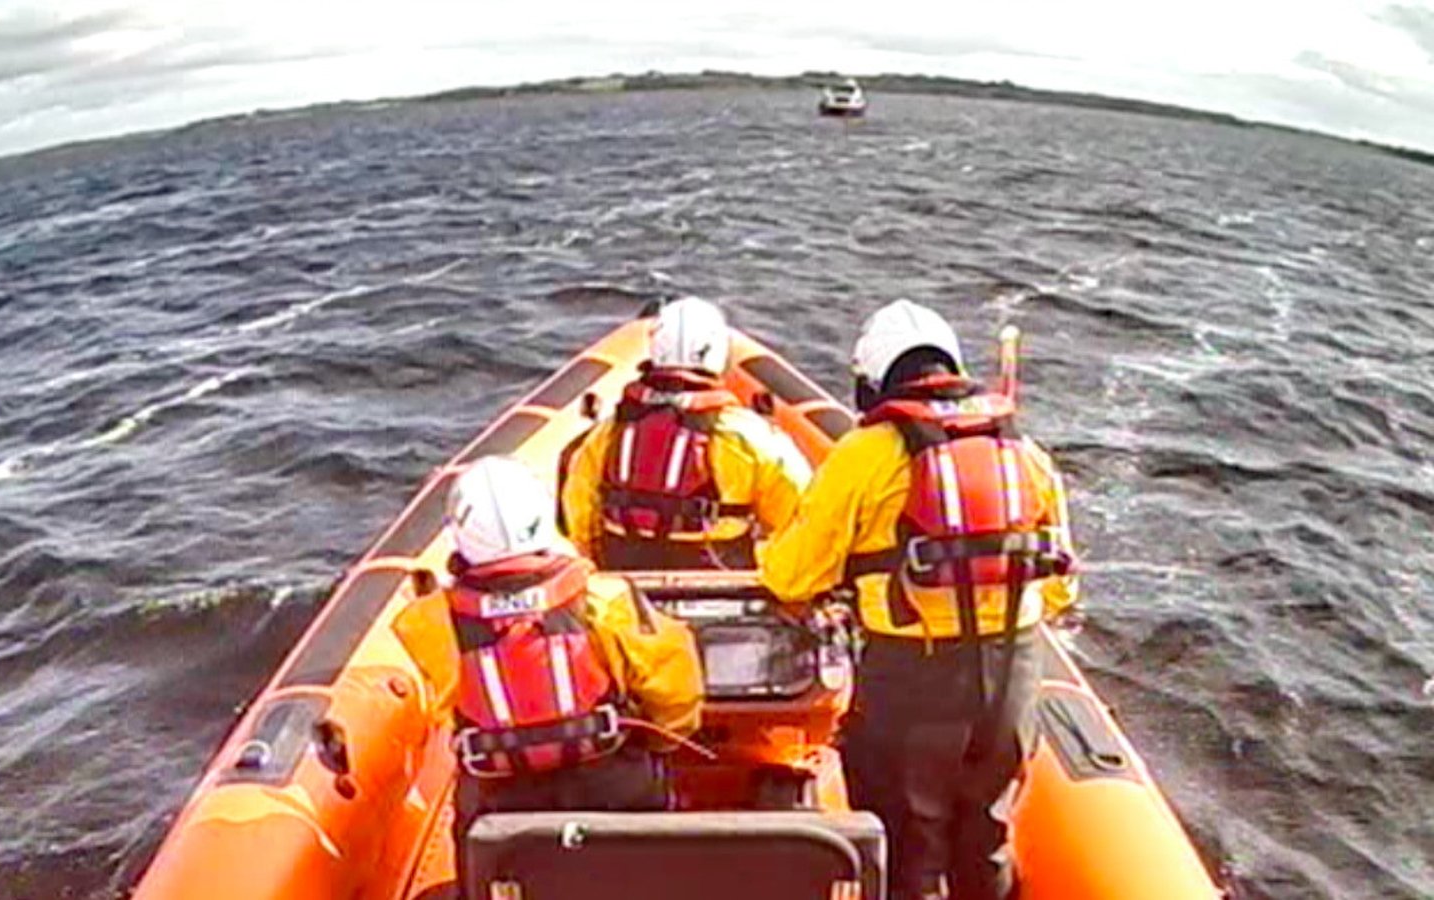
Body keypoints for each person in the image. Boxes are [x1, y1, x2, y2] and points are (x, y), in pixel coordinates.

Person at [759, 301, 1078, 900]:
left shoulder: (866, 454)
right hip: (1013, 674)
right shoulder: (1025, 453)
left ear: (872, 382)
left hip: (912, 683)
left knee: (908, 843)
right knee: (987, 833)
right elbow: (1061, 586)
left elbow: (792, 576)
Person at [392, 455, 704, 896]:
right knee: (652, 813)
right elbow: (675, 693)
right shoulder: (606, 599)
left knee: (475, 848)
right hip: (611, 781)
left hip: (499, 797)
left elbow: (450, 701)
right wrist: (661, 740)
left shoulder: (428, 621)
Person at [562, 295, 811, 569]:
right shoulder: (748, 435)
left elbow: (579, 503)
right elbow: (798, 511)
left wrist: (590, 555)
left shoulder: (611, 430)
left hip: (623, 568)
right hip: (717, 575)